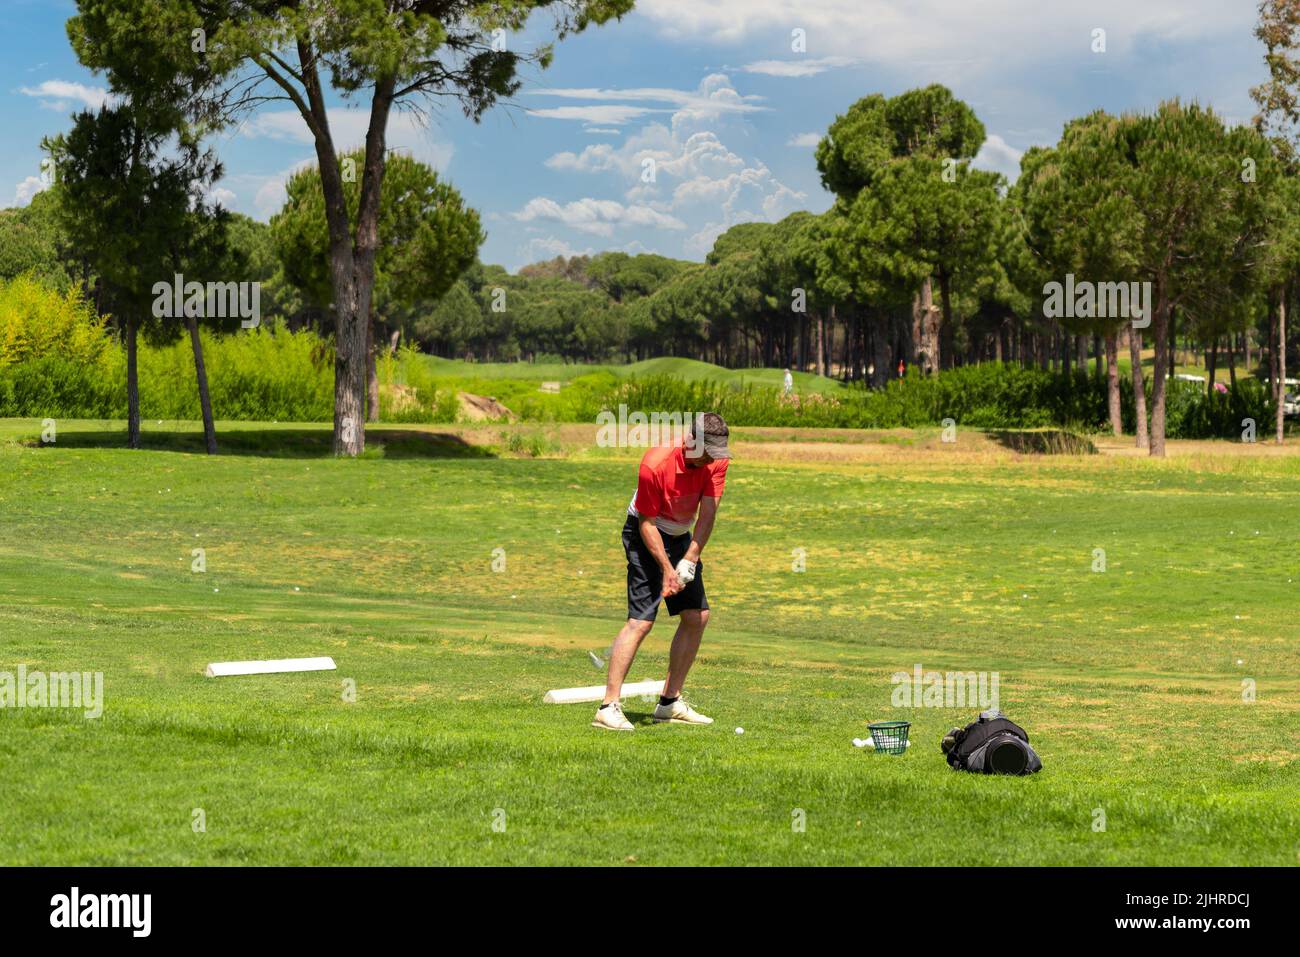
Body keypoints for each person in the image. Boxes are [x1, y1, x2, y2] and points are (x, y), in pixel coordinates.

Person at [593, 412, 731, 731]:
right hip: (645, 534)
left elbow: (707, 514)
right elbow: (646, 523)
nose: (714, 459)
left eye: (718, 453)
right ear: (691, 441)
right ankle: (607, 707)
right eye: (708, 451)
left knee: (697, 616)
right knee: (641, 622)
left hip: (681, 536)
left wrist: (690, 559)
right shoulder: (656, 464)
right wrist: (668, 569)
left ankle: (669, 703)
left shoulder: (716, 461)